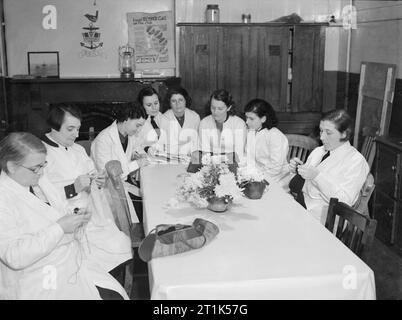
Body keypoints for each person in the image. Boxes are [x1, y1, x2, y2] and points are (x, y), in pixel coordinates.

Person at [0, 132, 128, 299]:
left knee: (113, 290)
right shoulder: (4, 198)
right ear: (11, 166)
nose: (41, 172)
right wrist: (60, 227)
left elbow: (56, 209)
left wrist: (76, 215)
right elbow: (14, 256)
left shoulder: (36, 179)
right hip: (40, 276)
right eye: (36, 168)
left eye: (43, 165)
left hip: (66, 259)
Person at [41, 103, 132, 274]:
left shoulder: (78, 149)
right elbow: (40, 197)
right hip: (65, 220)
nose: (76, 134)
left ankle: (111, 284)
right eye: (70, 129)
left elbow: (92, 175)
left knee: (120, 242)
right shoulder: (41, 153)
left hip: (92, 214)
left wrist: (99, 180)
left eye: (78, 129)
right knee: (101, 251)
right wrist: (73, 188)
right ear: (54, 126)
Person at [288, 109, 369, 224]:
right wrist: (297, 170)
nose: (322, 137)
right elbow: (304, 185)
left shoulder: (356, 162)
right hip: (301, 208)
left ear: (344, 133)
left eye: (328, 132)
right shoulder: (319, 151)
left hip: (324, 220)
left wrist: (317, 177)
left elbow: (345, 202)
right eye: (321, 131)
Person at [90, 102, 149, 222]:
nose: (139, 130)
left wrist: (137, 155)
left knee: (148, 198)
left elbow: (128, 152)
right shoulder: (103, 140)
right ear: (126, 119)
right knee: (144, 210)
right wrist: (136, 164)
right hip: (109, 191)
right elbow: (108, 175)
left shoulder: (128, 135)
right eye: (137, 125)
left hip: (123, 185)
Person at [244, 99, 289, 183]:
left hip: (276, 180)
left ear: (263, 119)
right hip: (254, 176)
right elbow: (247, 156)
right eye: (246, 117)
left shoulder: (275, 136)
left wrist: (256, 176)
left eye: (251, 118)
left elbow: (276, 167)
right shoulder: (251, 132)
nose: (246, 122)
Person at [150, 86, 200, 158]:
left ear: (186, 100)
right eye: (174, 101)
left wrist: (195, 162)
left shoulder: (195, 117)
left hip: (191, 158)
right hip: (170, 158)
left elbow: (197, 143)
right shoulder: (164, 118)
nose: (177, 104)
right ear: (169, 103)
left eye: (180, 100)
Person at [198, 89, 247, 160]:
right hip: (210, 164)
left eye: (220, 109)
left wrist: (218, 158)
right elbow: (204, 152)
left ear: (229, 107)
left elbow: (238, 153)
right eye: (213, 107)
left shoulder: (239, 124)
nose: (215, 112)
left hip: (233, 164)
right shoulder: (204, 123)